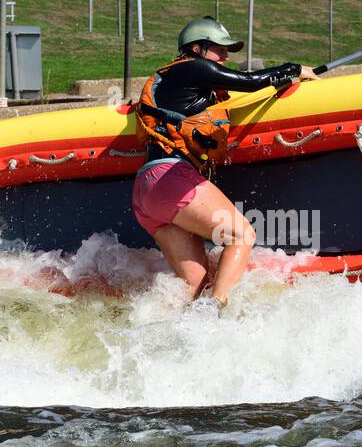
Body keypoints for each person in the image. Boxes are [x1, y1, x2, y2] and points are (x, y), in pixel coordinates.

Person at [132, 17, 316, 305]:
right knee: (242, 235)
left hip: (147, 195)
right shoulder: (192, 68)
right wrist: (294, 69)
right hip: (173, 180)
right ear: (196, 48)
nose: (226, 56)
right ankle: (219, 317)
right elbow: (249, 81)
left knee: (195, 286)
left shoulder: (173, 83)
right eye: (219, 49)